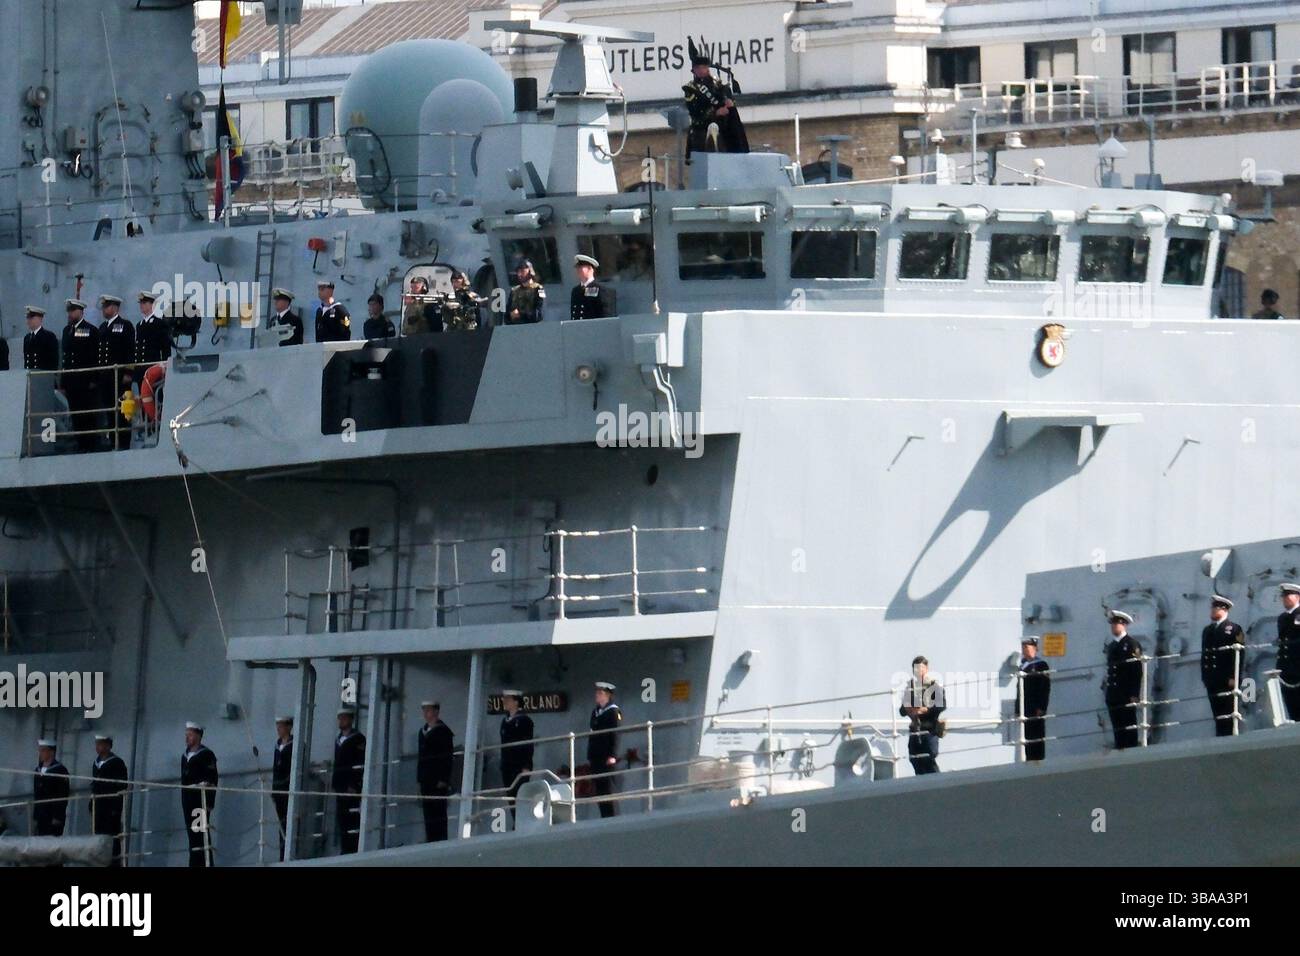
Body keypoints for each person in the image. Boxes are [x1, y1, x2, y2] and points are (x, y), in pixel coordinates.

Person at [682, 52, 749, 157]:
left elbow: (726, 99)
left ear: (708, 68)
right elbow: (695, 112)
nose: (700, 70)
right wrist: (715, 113)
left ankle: (741, 151)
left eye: (703, 67)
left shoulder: (718, 84)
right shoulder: (690, 89)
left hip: (722, 124)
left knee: (734, 124)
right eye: (697, 68)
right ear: (694, 70)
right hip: (702, 126)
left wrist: (729, 104)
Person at [60, 298, 102, 452]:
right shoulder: (67, 331)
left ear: (80, 311)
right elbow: (66, 359)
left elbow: (94, 357)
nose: (70, 314)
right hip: (71, 382)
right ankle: (80, 443)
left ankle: (90, 444)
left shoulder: (90, 330)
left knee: (87, 414)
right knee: (76, 413)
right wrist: (62, 383)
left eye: (73, 311)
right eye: (69, 311)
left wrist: (94, 379)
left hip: (85, 381)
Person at [1201, 595, 1245, 737]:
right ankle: (1220, 736)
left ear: (1224, 609)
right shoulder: (1207, 630)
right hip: (1212, 679)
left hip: (1226, 679)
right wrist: (1205, 676)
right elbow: (1205, 654)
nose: (1212, 610)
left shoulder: (1233, 629)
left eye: (1215, 608)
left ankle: (1229, 736)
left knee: (1227, 712)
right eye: (1212, 607)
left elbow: (1238, 655)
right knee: (1217, 713)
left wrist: (1234, 677)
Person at [97, 295, 135, 451]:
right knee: (110, 412)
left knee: (124, 412)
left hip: (121, 377)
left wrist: (128, 373)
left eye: (107, 306)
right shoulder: (102, 328)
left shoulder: (125, 326)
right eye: (103, 307)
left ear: (115, 308)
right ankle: (114, 442)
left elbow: (131, 350)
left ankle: (124, 444)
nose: (104, 310)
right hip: (106, 378)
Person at [1103, 611, 1144, 750]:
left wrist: (1134, 694)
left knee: (1129, 725)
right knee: (1117, 726)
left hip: (1126, 693)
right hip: (1114, 694)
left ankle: (1131, 749)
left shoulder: (1132, 644)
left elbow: (1136, 671)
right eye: (1113, 624)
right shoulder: (1112, 646)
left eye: (1117, 623)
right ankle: (1120, 748)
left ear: (1124, 625)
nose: (1114, 626)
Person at [898, 655, 945, 774]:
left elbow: (942, 705)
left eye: (921, 668)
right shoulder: (910, 688)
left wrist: (926, 710)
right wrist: (909, 709)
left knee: (929, 759)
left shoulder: (934, 686)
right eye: (916, 669)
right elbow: (902, 711)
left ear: (926, 669)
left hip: (929, 729)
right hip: (915, 730)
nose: (918, 671)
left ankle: (936, 783)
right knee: (915, 759)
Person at [180, 721, 218, 866]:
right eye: (186, 735)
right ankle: (195, 863)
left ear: (198, 735)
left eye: (189, 735)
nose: (187, 738)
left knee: (200, 833)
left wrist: (209, 803)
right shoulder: (185, 756)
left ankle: (204, 863)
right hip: (188, 801)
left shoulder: (206, 755)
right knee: (192, 835)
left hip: (199, 802)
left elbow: (212, 779)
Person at [416, 702, 454, 843]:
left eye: (429, 710)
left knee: (438, 812)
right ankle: (431, 839)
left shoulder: (443, 732)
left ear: (436, 712)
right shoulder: (423, 732)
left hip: (437, 780)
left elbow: (447, 757)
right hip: (426, 779)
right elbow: (421, 758)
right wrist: (419, 781)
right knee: (428, 813)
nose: (426, 713)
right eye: (424, 710)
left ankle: (441, 840)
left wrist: (444, 779)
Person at [90, 734, 128, 866]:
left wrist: (115, 808)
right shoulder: (96, 763)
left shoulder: (117, 763)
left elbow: (121, 786)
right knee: (99, 838)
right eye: (97, 744)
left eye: (101, 744)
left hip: (110, 809)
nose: (98, 747)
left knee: (112, 839)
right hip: (98, 807)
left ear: (108, 746)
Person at [332, 707, 366, 854]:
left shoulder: (358, 738)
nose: (341, 721)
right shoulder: (338, 739)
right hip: (340, 784)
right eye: (340, 718)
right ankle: (345, 848)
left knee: (352, 817)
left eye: (344, 718)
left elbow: (359, 761)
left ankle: (352, 848)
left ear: (351, 720)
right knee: (342, 818)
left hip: (351, 786)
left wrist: (354, 783)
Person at [587, 681, 621, 818]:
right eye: (597, 692)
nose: (597, 695)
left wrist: (612, 755)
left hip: (606, 756)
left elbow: (614, 734)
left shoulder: (613, 712)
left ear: (607, 695)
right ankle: (604, 815)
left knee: (607, 788)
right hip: (595, 755)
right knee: (599, 788)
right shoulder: (595, 712)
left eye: (600, 693)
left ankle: (610, 816)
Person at [499, 690, 535, 818]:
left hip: (519, 766)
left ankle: (522, 822)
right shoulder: (505, 722)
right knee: (511, 797)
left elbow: (527, 744)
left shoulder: (525, 721)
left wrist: (526, 766)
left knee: (520, 795)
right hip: (507, 765)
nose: (504, 701)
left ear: (516, 701)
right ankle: (516, 821)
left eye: (508, 699)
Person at [1016, 637, 1051, 761]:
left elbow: (1044, 688)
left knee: (1037, 734)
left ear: (1035, 648)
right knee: (1027, 735)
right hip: (1025, 707)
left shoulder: (1041, 665)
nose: (1026, 650)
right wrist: (1017, 708)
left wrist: (1042, 707)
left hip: (1036, 708)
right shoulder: (1023, 666)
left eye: (1028, 647)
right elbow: (1019, 690)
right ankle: (1029, 757)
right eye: (1024, 647)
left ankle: (1038, 758)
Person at [33, 739, 70, 837]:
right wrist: (35, 816)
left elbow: (63, 794)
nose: (40, 753)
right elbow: (36, 794)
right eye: (40, 750)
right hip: (41, 812)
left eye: (43, 750)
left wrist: (57, 816)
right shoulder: (38, 770)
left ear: (51, 752)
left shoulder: (60, 770)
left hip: (52, 812)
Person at [271, 716, 293, 861]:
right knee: (281, 823)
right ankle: (282, 853)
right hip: (278, 788)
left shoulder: (294, 745)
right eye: (277, 726)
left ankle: (288, 853)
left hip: (288, 788)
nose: (278, 729)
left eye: (281, 726)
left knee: (288, 822)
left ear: (288, 727)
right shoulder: (278, 745)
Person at [1277, 583, 1300, 721]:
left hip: (1298, 665)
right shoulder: (1282, 618)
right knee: (1290, 701)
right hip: (1286, 667)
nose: (1284, 598)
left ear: (1297, 597)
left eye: (1287, 595)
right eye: (1283, 596)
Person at [569, 255, 617, 321]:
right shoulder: (576, 291)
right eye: (577, 267)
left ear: (590, 269)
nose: (578, 270)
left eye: (581, 267)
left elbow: (606, 316)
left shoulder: (601, 290)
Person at [134, 290, 171, 374]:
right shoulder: (139, 325)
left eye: (144, 303)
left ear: (152, 304)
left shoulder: (159, 323)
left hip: (153, 366)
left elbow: (165, 347)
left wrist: (165, 365)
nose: (141, 305)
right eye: (141, 303)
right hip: (141, 367)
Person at [505, 260, 545, 324]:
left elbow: (538, 314)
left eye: (523, 271)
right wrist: (511, 315)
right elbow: (506, 316)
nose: (520, 274)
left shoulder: (539, 289)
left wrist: (520, 315)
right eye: (518, 271)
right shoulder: (514, 291)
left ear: (530, 271)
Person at [23, 306, 59, 371]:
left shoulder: (49, 337)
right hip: (30, 375)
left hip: (43, 375)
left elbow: (54, 361)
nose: (28, 320)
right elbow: (26, 361)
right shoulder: (27, 338)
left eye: (31, 317)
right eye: (27, 317)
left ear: (40, 319)